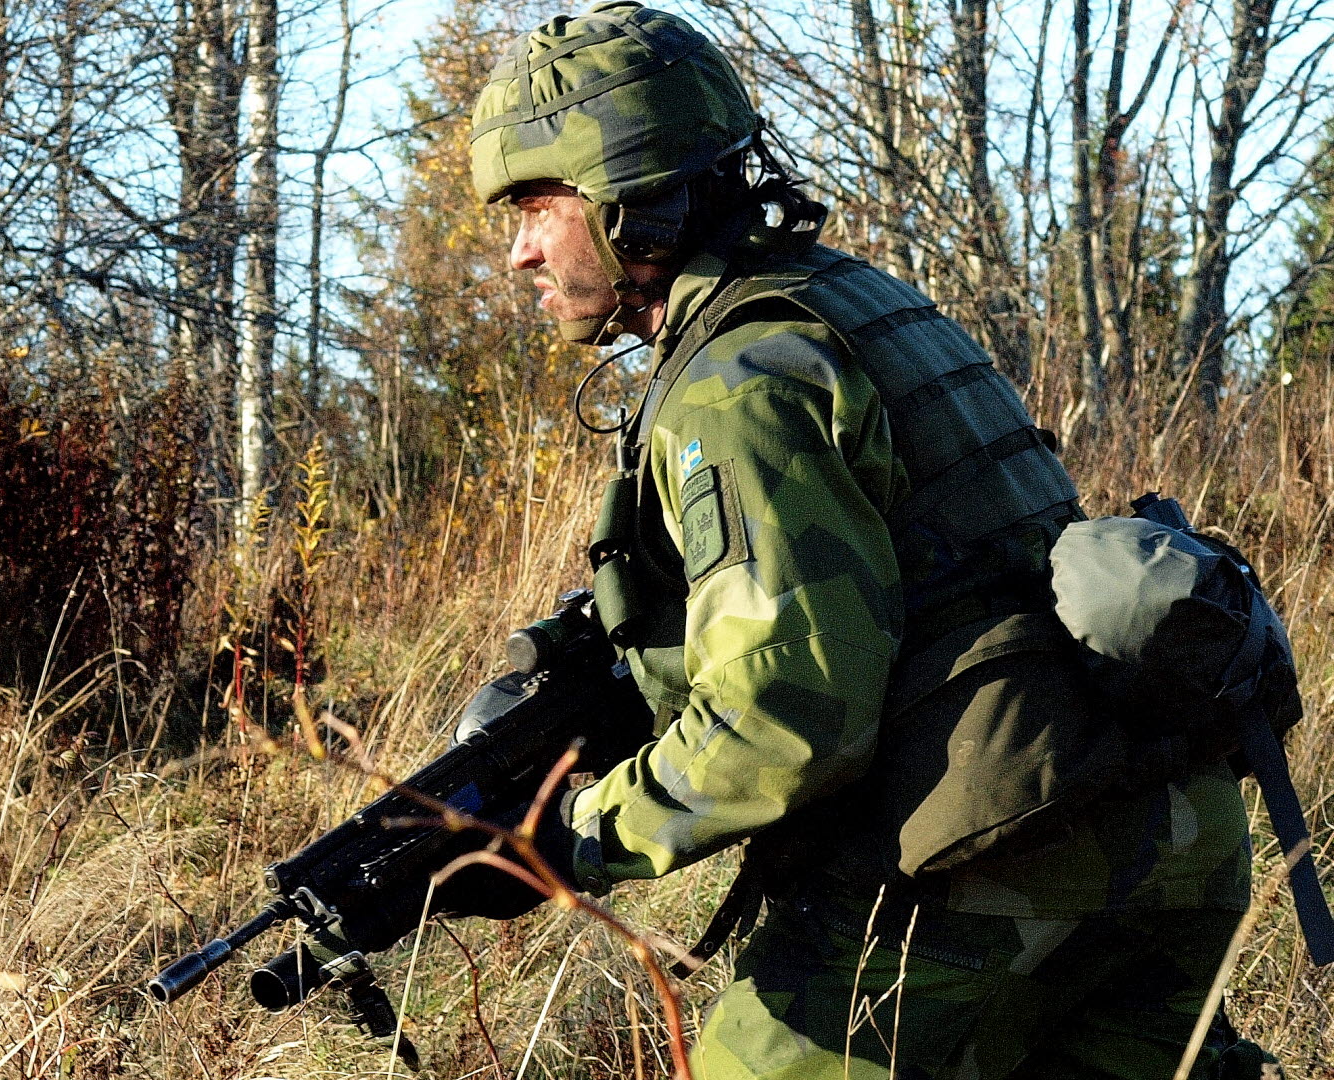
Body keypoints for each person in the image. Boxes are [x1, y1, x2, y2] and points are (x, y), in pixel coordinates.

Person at [446, 3, 1280, 1076]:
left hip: (1000, 849)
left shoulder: (732, 387)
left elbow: (788, 717)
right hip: (1173, 814)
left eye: (538, 205)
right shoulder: (856, 299)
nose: (517, 252)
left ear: (631, 195)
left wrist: (568, 838)